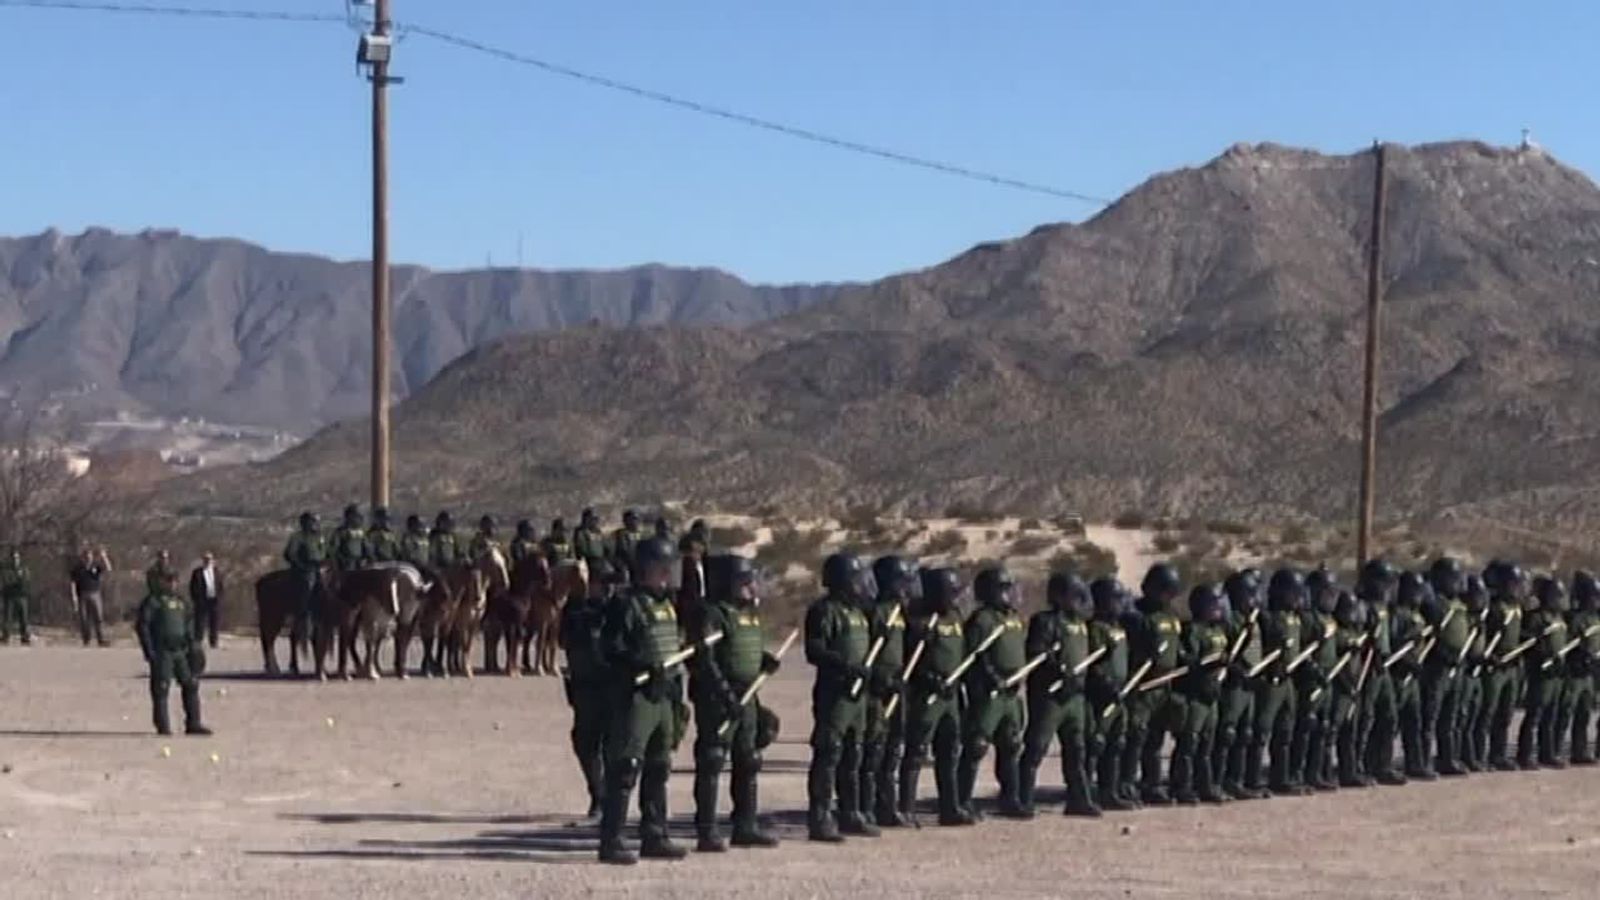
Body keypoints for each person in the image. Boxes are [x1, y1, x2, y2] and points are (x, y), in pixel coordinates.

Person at [597, 537, 687, 865]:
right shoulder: (627, 604)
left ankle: (655, 834)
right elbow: (611, 648)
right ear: (647, 570)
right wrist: (641, 665)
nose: (669, 576)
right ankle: (612, 839)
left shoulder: (667, 605)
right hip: (636, 696)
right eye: (664, 570)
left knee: (659, 766)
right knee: (626, 767)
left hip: (664, 695)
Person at [691, 554, 782, 852]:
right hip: (719, 697)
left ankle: (746, 824)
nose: (751, 588)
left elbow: (747, 649)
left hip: (748, 695)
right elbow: (706, 658)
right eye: (744, 582)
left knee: (749, 759)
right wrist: (724, 693)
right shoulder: (713, 614)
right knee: (713, 758)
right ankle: (707, 829)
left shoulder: (748, 615)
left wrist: (764, 662)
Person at [804, 552, 877, 842]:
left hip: (858, 695)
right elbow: (814, 650)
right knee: (829, 752)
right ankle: (820, 817)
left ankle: (851, 812)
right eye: (856, 579)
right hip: (835, 693)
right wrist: (845, 666)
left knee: (853, 753)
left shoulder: (858, 612)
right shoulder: (824, 611)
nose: (861, 585)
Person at [1019, 572, 1100, 816]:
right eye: (1072, 596)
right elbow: (1036, 652)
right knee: (1036, 747)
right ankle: (1023, 798)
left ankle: (1078, 799)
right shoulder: (1045, 621)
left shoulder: (1081, 625)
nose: (1078, 601)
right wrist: (1057, 670)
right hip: (1050, 697)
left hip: (1075, 696)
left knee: (1077, 749)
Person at [899, 567, 974, 826]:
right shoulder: (917, 617)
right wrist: (928, 678)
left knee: (949, 751)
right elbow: (908, 659)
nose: (954, 598)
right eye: (949, 593)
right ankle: (906, 808)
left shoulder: (955, 616)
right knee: (916, 751)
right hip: (926, 694)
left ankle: (949, 807)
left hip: (950, 695)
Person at [960, 566, 1030, 819]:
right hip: (989, 692)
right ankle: (963, 799)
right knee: (977, 745)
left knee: (1011, 744)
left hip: (1011, 692)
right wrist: (992, 677)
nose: (1008, 594)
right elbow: (974, 654)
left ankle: (1010, 798)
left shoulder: (1013, 618)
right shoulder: (982, 620)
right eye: (1003, 589)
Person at [861, 555, 917, 827]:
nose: (906, 587)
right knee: (874, 747)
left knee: (895, 747)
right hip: (876, 689)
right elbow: (865, 654)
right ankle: (867, 806)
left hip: (898, 685)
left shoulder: (901, 612)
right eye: (902, 581)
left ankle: (889, 806)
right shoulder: (875, 610)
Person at [1125, 563, 1185, 806]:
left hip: (1165, 686)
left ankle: (1152, 784)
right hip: (1142, 686)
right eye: (1164, 591)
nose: (1167, 597)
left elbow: (1175, 647)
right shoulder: (1136, 615)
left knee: (1155, 739)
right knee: (1136, 737)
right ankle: (1126, 784)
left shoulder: (1171, 617)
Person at [558, 555, 612, 821]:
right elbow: (564, 641)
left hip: (612, 686)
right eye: (601, 582)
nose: (605, 588)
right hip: (585, 687)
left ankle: (612, 798)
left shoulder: (617, 609)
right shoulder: (574, 609)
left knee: (614, 745)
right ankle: (598, 795)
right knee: (585, 743)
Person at [1252, 568, 1309, 796]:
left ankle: (1282, 777)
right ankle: (1253, 779)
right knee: (1261, 732)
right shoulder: (1266, 617)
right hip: (1270, 681)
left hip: (1289, 681)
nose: (1296, 598)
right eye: (1292, 593)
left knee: (1286, 731)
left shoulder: (1295, 618)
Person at [1175, 583, 1232, 804]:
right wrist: (1207, 665)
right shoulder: (1192, 630)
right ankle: (1182, 786)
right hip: (1196, 695)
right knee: (1190, 742)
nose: (1218, 608)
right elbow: (1189, 662)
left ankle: (1206, 785)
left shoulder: (1218, 630)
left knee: (1207, 744)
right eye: (1213, 604)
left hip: (1213, 695)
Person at [136, 571, 210, 736]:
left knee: (190, 685)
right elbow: (143, 627)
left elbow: (189, 623)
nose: (172, 584)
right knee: (161, 688)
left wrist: (194, 646)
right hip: (162, 651)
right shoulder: (153, 602)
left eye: (175, 581)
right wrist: (149, 651)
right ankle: (163, 726)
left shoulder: (182, 602)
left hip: (181, 651)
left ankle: (194, 723)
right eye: (168, 581)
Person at [1085, 577, 1136, 811]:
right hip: (1101, 696)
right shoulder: (1095, 628)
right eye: (1115, 600)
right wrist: (1106, 685)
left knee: (1117, 744)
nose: (1120, 604)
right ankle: (1085, 792)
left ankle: (1110, 791)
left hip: (1120, 695)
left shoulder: (1119, 628)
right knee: (1096, 743)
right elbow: (1092, 664)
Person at [1216, 569, 1266, 799]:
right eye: (1249, 594)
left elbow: (1256, 652)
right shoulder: (1230, 620)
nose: (1253, 599)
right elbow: (1223, 652)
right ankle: (1221, 779)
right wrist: (1235, 669)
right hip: (1234, 684)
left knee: (1246, 733)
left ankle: (1241, 778)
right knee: (1228, 733)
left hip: (1251, 683)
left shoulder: (1253, 620)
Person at [1357, 560, 1406, 786]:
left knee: (1389, 716)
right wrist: (1369, 653)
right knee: (1364, 718)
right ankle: (1359, 765)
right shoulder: (1362, 607)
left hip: (1384, 668)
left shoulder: (1386, 609)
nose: (1389, 588)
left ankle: (1382, 764)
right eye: (1385, 583)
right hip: (1367, 668)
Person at [1424, 557, 1472, 777]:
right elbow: (1430, 634)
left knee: (1451, 716)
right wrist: (1441, 653)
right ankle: (1423, 760)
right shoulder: (1434, 603)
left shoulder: (1460, 604)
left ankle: (1448, 758)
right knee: (1431, 715)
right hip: (1438, 666)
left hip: (1458, 665)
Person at [1294, 566, 1340, 791]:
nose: (1331, 598)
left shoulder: (1330, 618)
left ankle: (1316, 772)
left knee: (1324, 727)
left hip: (1329, 677)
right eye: (1327, 593)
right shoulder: (1307, 618)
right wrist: (1313, 668)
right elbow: (1300, 651)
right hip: (1311, 680)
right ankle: (1298, 773)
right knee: (1306, 726)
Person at [1519, 575, 1570, 769]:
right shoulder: (1537, 617)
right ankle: (1525, 754)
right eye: (1555, 596)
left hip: (1556, 673)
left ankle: (1547, 752)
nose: (1559, 599)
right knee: (1535, 714)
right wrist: (1543, 656)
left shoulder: (1559, 618)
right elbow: (1530, 643)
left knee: (1551, 715)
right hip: (1541, 672)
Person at [1481, 560, 1528, 770]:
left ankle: (1498, 754)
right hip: (1495, 666)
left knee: (1506, 714)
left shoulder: (1517, 608)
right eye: (1512, 584)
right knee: (1488, 712)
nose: (1516, 588)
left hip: (1512, 666)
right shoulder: (1494, 607)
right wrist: (1489, 656)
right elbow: (1483, 636)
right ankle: (1481, 755)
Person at [1390, 571, 1436, 781]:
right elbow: (1394, 645)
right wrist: (1407, 661)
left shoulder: (1418, 614)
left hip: (1414, 676)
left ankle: (1415, 763)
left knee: (1414, 721)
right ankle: (1382, 763)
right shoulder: (1398, 614)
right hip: (1400, 675)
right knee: (1392, 722)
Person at [1564, 570, 1600, 766]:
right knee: (1567, 711)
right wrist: (1579, 656)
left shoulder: (1596, 618)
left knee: (1585, 713)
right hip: (1576, 671)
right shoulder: (1577, 619)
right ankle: (1555, 749)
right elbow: (1569, 643)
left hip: (1590, 673)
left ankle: (1581, 750)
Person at [282, 512, 327, 666]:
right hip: (303, 571)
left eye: (316, 521)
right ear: (305, 523)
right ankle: (304, 609)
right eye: (312, 521)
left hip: (319, 568)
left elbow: (325, 552)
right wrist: (302, 565)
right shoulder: (298, 537)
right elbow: (290, 554)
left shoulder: (320, 537)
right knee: (308, 583)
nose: (315, 524)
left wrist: (323, 562)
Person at [69, 546, 113, 647]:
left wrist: (104, 557)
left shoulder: (96, 567)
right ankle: (86, 640)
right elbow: (73, 583)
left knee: (98, 617)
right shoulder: (77, 568)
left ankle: (101, 639)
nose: (88, 558)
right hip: (82, 595)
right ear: (82, 557)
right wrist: (74, 597)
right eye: (86, 556)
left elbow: (108, 569)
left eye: (90, 556)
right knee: (84, 618)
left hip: (95, 593)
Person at [188, 552, 223, 649]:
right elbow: (192, 587)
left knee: (214, 622)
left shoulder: (216, 571)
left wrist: (220, 598)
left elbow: (220, 586)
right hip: (202, 601)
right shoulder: (197, 572)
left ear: (212, 560)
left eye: (210, 559)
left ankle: (213, 642)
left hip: (214, 600)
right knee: (200, 622)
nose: (208, 561)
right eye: (206, 559)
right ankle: (198, 641)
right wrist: (196, 599)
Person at [0, 548, 32, 645]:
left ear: (20, 558)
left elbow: (27, 580)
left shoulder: (24, 568)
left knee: (24, 618)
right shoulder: (6, 569)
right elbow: (6, 581)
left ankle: (25, 637)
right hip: (10, 596)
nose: (15, 560)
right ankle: (6, 636)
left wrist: (21, 579)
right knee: (8, 618)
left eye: (17, 558)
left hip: (22, 596)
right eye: (13, 558)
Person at [331, 504, 370, 573]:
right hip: (347, 563)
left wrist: (366, 558)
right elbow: (334, 549)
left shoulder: (361, 531)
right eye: (354, 516)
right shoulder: (341, 532)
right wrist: (342, 560)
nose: (356, 519)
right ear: (348, 517)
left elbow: (366, 546)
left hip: (359, 562)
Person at [611, 510, 644, 581]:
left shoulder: (640, 534)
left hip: (637, 560)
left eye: (636, 519)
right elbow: (624, 548)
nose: (635, 522)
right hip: (623, 561)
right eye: (632, 519)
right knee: (625, 575)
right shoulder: (621, 533)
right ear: (626, 521)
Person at [575, 508, 609, 573]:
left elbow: (604, 545)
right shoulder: (581, 531)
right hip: (588, 561)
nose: (595, 522)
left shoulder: (598, 531)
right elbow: (581, 548)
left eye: (596, 519)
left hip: (601, 560)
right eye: (593, 519)